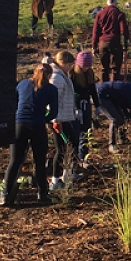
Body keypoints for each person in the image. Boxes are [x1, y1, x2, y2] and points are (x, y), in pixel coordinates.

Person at [0, 63, 58, 207]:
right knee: (39, 161)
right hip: (37, 126)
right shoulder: (51, 89)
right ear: (49, 76)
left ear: (34, 72)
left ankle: (5, 195)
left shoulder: (23, 84)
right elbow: (54, 112)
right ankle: (42, 194)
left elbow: (14, 102)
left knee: (15, 161)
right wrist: (44, 118)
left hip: (19, 125)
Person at [47, 50, 80, 191]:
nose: (70, 68)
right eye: (69, 65)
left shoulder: (62, 76)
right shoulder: (56, 78)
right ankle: (55, 180)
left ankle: (67, 176)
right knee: (61, 150)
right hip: (59, 120)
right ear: (62, 63)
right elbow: (53, 101)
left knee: (70, 147)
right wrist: (56, 119)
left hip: (65, 117)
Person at [92, 0, 131, 81]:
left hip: (103, 43)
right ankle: (114, 87)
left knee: (104, 68)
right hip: (115, 42)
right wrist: (127, 38)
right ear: (115, 4)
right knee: (116, 68)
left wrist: (94, 46)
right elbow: (123, 29)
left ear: (107, 4)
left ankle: (103, 87)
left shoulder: (100, 14)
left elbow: (95, 31)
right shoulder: (119, 14)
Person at [70, 50, 98, 164]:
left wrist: (97, 105)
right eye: (84, 66)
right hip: (75, 105)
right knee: (76, 131)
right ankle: (74, 157)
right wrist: (75, 107)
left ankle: (84, 157)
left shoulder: (89, 73)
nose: (86, 68)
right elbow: (71, 92)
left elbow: (93, 90)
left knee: (86, 130)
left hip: (86, 104)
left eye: (88, 66)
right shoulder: (72, 74)